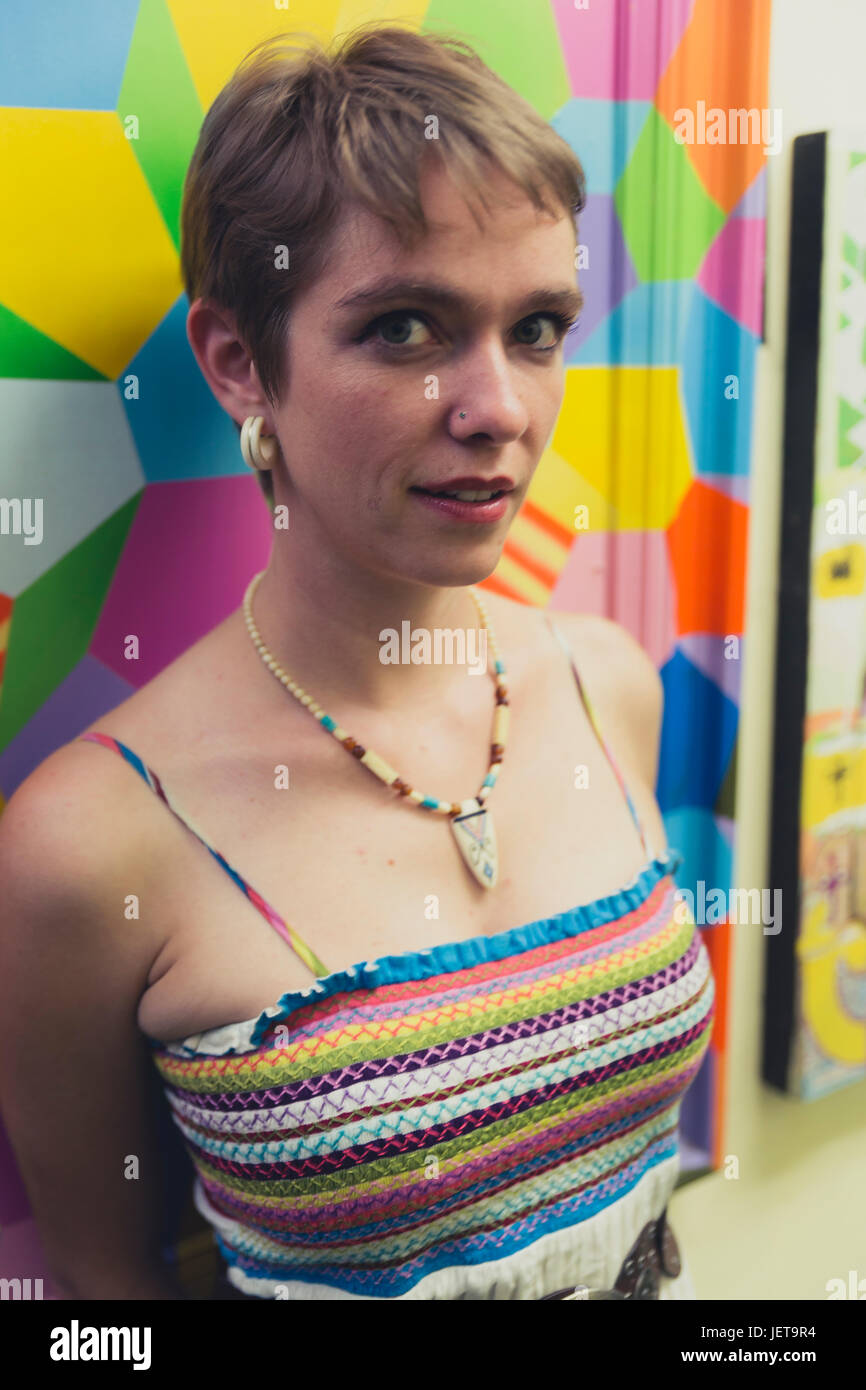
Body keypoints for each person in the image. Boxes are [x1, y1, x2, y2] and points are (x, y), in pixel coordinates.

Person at [0, 23, 715, 1301]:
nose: (495, 406)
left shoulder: (609, 684)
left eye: (538, 327)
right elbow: (102, 1298)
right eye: (402, 327)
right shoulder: (91, 840)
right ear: (237, 363)